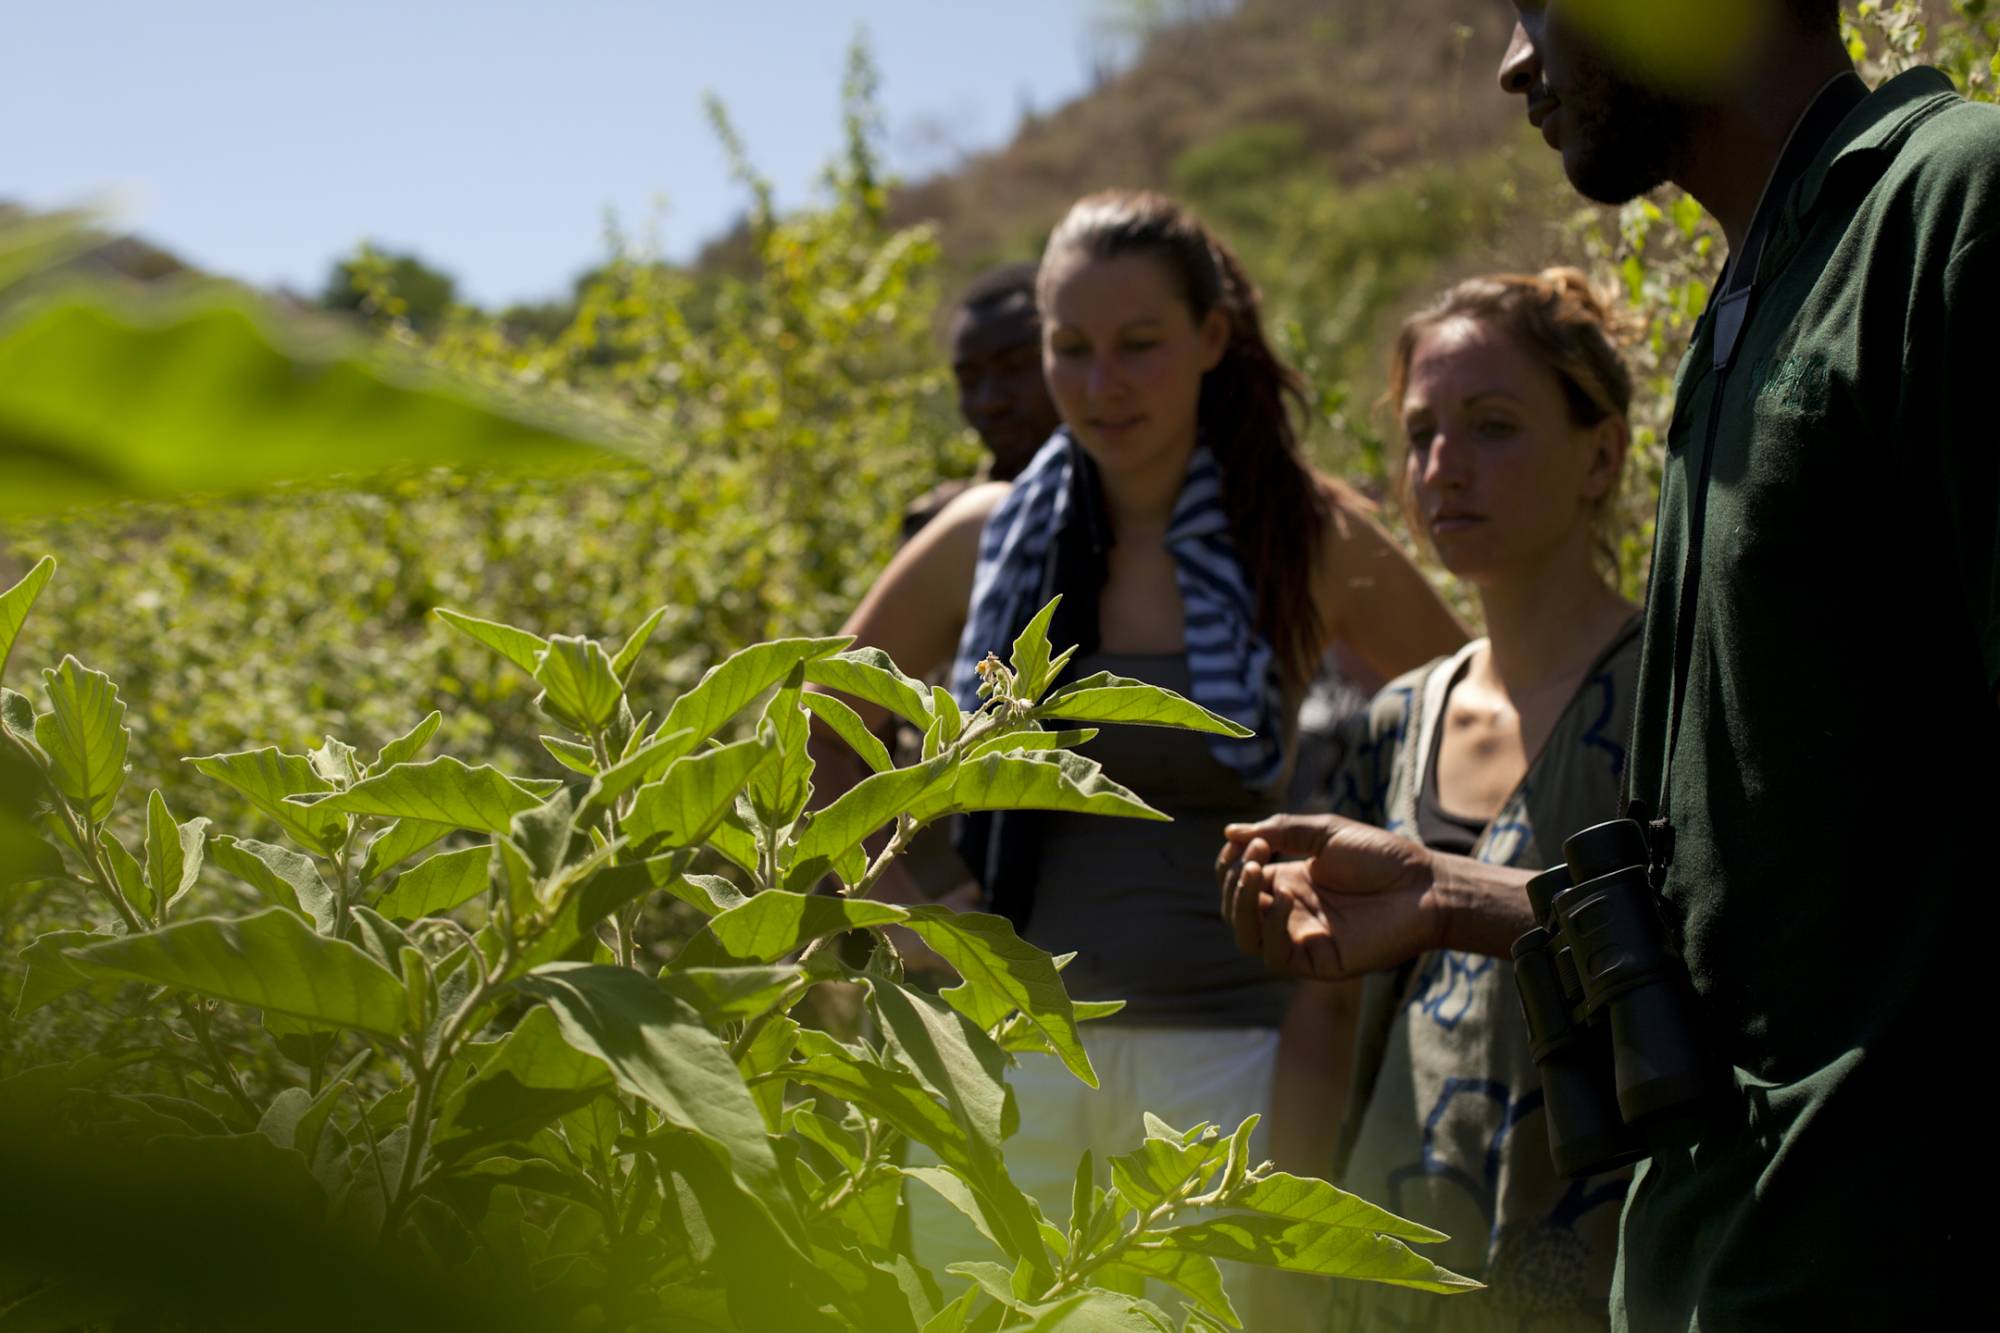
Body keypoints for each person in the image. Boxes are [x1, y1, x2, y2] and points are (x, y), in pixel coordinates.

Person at [1222, 3, 1997, 1327]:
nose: (1516, 63)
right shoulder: (1749, 306)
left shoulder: (1945, 209)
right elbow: (1750, 914)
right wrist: (1448, 893)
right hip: (1718, 1256)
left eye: (1539, 7)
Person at [812, 188, 1466, 1302]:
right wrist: (903, 909)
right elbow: (818, 724)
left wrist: (1389, 913)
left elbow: (1471, 702)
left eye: (1139, 344)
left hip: (1229, 1063)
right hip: (1005, 1058)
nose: (1101, 384)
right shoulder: (983, 535)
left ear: (1211, 338)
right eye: (1070, 349)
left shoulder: (1297, 535)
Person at [1267, 268, 1645, 1331]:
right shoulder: (1394, 719)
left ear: (1601, 455)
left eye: (1492, 427)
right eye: (1421, 433)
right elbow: (1325, 1016)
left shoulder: (1670, 692)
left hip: (1608, 1267)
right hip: (1388, 1263)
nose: (1443, 466)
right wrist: (1278, 1261)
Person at [901, 262, 1063, 542]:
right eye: (970, 380)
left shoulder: (1131, 508)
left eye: (1014, 367)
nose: (990, 402)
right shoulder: (941, 526)